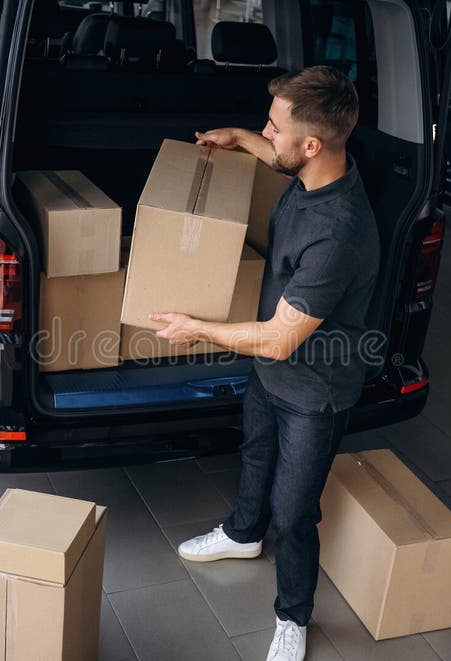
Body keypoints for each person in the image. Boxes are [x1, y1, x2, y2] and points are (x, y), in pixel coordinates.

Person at [150, 65, 381, 661]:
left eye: (274, 128)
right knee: (255, 454)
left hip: (314, 391)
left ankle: (293, 616)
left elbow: (279, 340)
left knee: (294, 511)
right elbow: (279, 153)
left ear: (313, 145)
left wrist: (197, 328)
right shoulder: (315, 171)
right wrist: (238, 138)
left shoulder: (339, 232)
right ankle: (242, 534)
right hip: (271, 373)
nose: (266, 133)